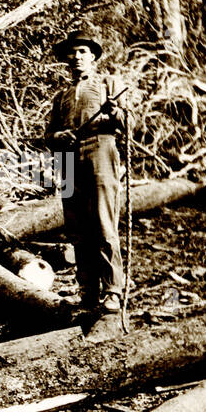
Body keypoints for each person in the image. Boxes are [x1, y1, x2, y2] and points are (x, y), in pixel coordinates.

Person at [44, 29, 126, 317]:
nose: (77, 57)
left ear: (93, 57)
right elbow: (48, 135)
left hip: (99, 151)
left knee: (104, 223)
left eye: (83, 52)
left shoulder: (108, 85)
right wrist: (58, 137)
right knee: (77, 229)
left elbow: (128, 125)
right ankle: (88, 291)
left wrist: (115, 111)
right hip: (66, 160)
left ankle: (113, 291)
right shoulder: (61, 96)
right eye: (73, 52)